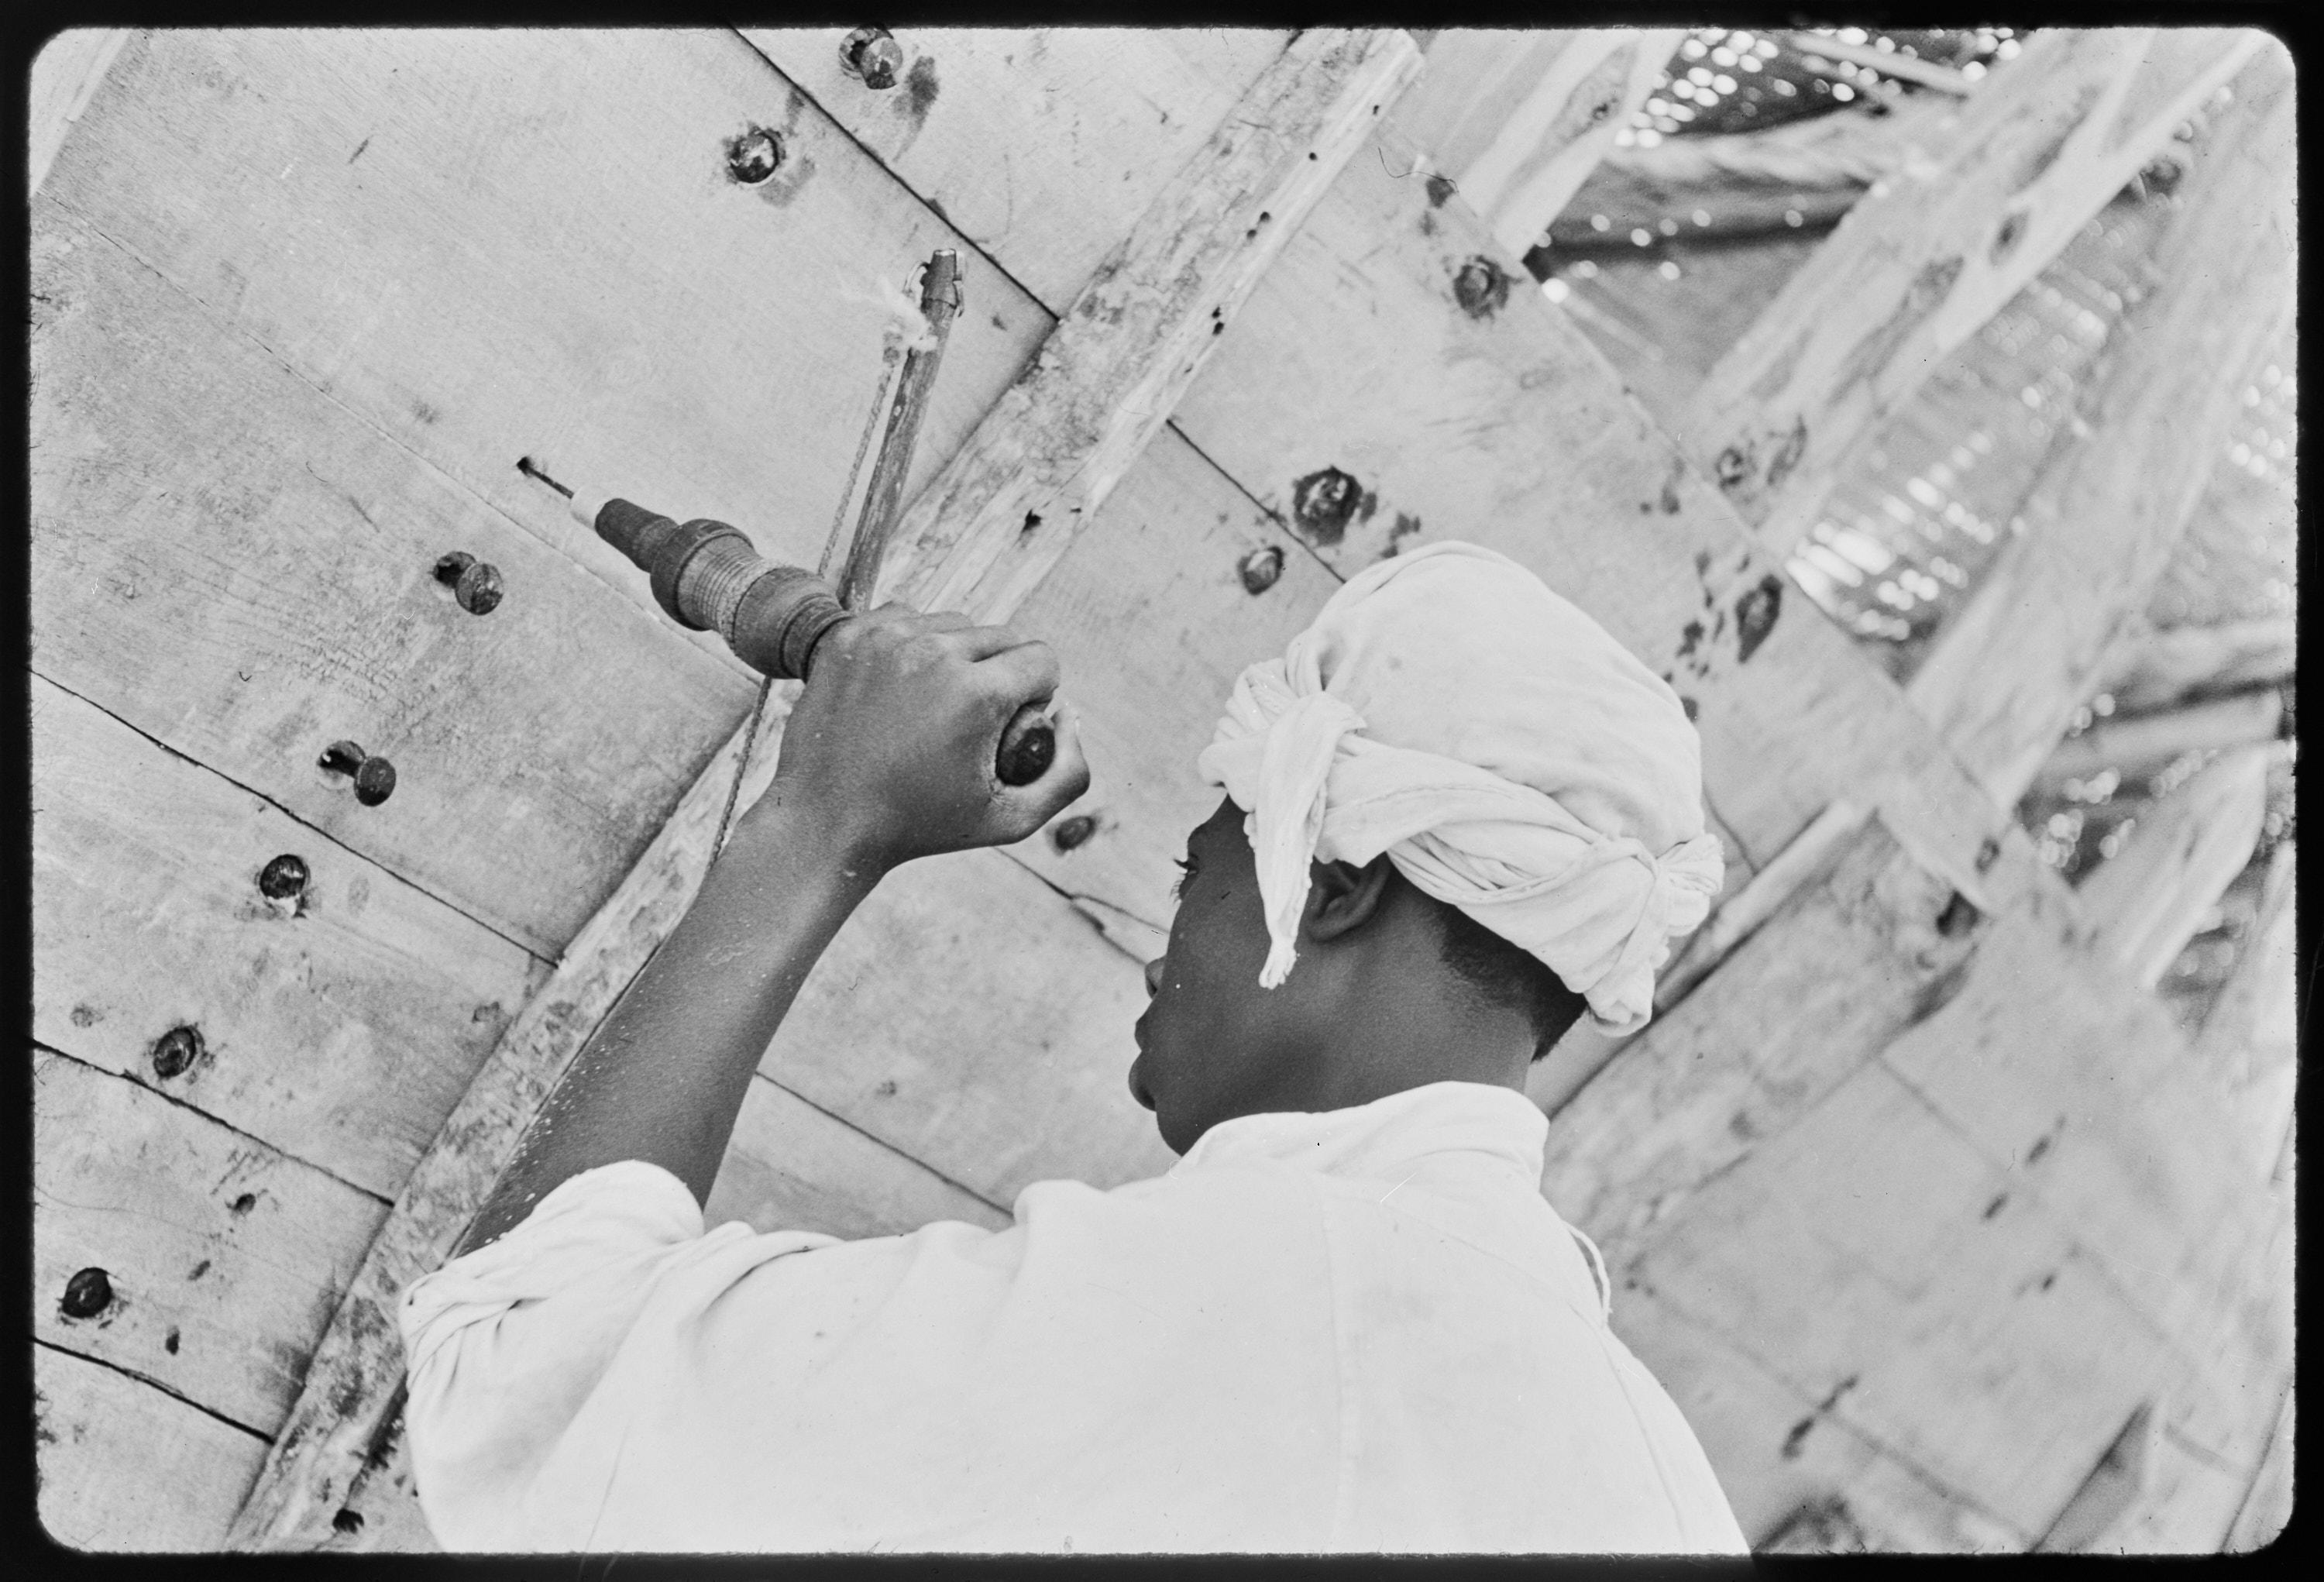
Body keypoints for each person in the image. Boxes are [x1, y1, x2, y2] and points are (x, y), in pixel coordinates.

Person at [399, 542, 1748, 1554]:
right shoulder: (1649, 1465)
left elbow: (516, 1381)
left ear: (1333, 886)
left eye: (1195, 872)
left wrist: (823, 822)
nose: (1163, 952)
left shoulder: (1269, 1292)